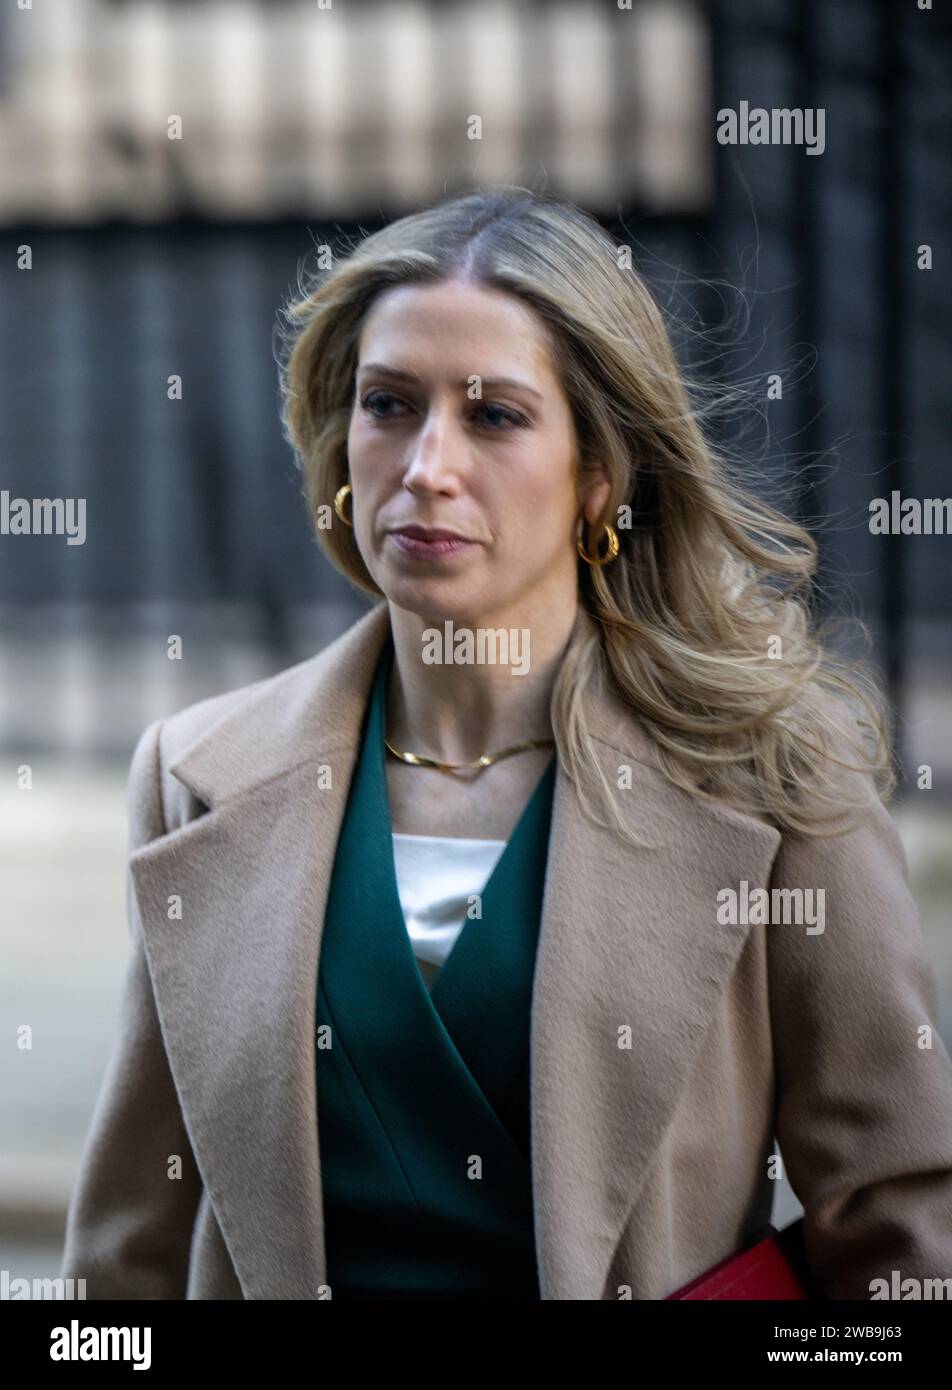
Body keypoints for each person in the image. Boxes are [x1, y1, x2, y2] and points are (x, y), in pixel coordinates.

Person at [60, 186, 952, 1300]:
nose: (428, 463)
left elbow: (901, 1230)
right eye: (389, 405)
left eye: (493, 416)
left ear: (598, 475)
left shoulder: (773, 779)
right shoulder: (196, 779)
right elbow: (127, 1255)